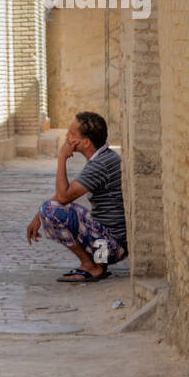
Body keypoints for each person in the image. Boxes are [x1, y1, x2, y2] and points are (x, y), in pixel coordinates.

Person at [26, 111, 128, 282]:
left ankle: (91, 266)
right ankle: (98, 264)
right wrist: (38, 216)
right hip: (106, 245)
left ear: (86, 142)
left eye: (72, 134)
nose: (66, 137)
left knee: (50, 210)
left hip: (111, 248)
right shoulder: (103, 159)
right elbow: (69, 192)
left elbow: (64, 196)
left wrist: (62, 157)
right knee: (48, 209)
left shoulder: (101, 164)